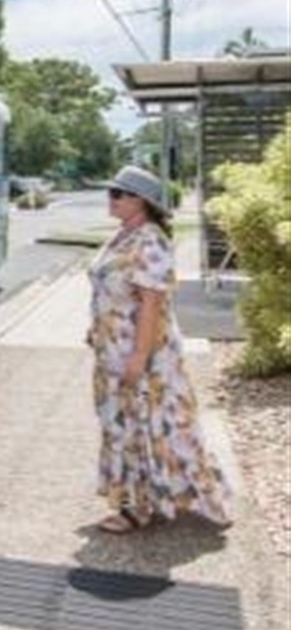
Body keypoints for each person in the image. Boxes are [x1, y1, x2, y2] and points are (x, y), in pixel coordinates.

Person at [87, 165, 232, 533]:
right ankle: (141, 498)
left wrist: (138, 357)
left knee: (142, 427)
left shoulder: (149, 240)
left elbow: (152, 305)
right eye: (111, 192)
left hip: (142, 354)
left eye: (118, 193)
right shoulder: (124, 235)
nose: (111, 198)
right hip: (111, 351)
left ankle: (138, 507)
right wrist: (96, 330)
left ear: (141, 201)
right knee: (121, 426)